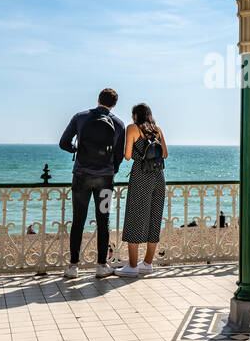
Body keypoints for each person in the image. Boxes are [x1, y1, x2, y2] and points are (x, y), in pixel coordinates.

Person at [59, 88, 125, 279]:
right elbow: (119, 155)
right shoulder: (119, 124)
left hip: (81, 177)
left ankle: (73, 267)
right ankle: (102, 266)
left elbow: (63, 143)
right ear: (114, 104)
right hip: (105, 180)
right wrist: (112, 170)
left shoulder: (80, 117)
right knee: (103, 221)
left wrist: (78, 151)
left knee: (78, 220)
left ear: (98, 100)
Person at [115, 103, 168, 277]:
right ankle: (147, 263)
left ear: (135, 116)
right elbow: (165, 154)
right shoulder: (157, 129)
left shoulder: (132, 128)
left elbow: (128, 156)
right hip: (158, 177)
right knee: (154, 218)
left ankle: (131, 266)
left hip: (141, 176)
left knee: (135, 218)